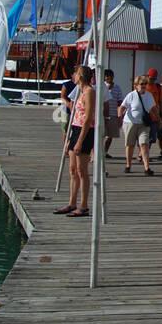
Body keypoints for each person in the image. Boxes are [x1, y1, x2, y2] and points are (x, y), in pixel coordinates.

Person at [55, 66, 96, 217]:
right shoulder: (80, 91)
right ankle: (72, 202)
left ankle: (83, 205)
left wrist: (79, 141)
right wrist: (69, 141)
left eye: (76, 73)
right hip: (75, 129)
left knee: (81, 170)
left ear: (81, 76)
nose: (74, 75)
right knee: (72, 169)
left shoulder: (89, 92)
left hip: (85, 132)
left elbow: (88, 118)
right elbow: (75, 116)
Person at [118, 74, 157, 176]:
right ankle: (128, 165)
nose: (144, 86)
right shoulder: (131, 95)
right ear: (136, 85)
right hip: (130, 122)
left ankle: (147, 167)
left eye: (145, 84)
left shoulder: (149, 95)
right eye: (141, 84)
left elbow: (153, 108)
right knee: (130, 145)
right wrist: (119, 117)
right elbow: (122, 107)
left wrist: (159, 117)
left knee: (144, 144)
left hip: (143, 124)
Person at [145, 68, 162, 159]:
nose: (152, 81)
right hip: (144, 116)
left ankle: (145, 154)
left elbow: (161, 102)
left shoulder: (158, 88)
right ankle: (142, 154)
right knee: (143, 137)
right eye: (151, 78)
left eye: (154, 79)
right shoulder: (143, 86)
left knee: (152, 138)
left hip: (155, 116)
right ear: (147, 77)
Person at [102, 69, 123, 158]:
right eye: (107, 76)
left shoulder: (117, 88)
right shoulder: (101, 86)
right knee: (100, 135)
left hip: (113, 114)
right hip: (102, 114)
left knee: (110, 135)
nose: (109, 78)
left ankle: (105, 152)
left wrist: (120, 116)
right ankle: (96, 153)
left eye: (110, 76)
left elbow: (120, 102)